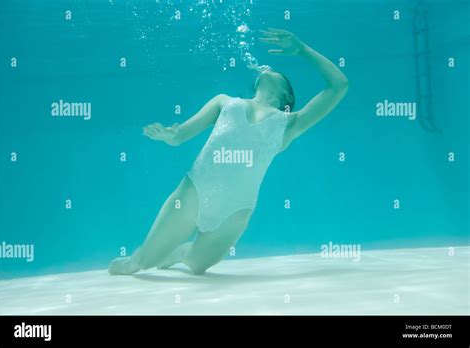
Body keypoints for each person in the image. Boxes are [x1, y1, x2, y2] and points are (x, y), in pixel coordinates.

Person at [108, 28, 348, 276]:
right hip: (194, 192)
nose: (267, 70)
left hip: (236, 211)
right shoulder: (225, 102)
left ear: (286, 94)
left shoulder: (289, 123)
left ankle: (180, 253)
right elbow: (180, 136)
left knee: (197, 266)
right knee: (142, 264)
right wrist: (169, 135)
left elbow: (339, 85)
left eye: (276, 72)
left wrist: (302, 50)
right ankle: (139, 258)